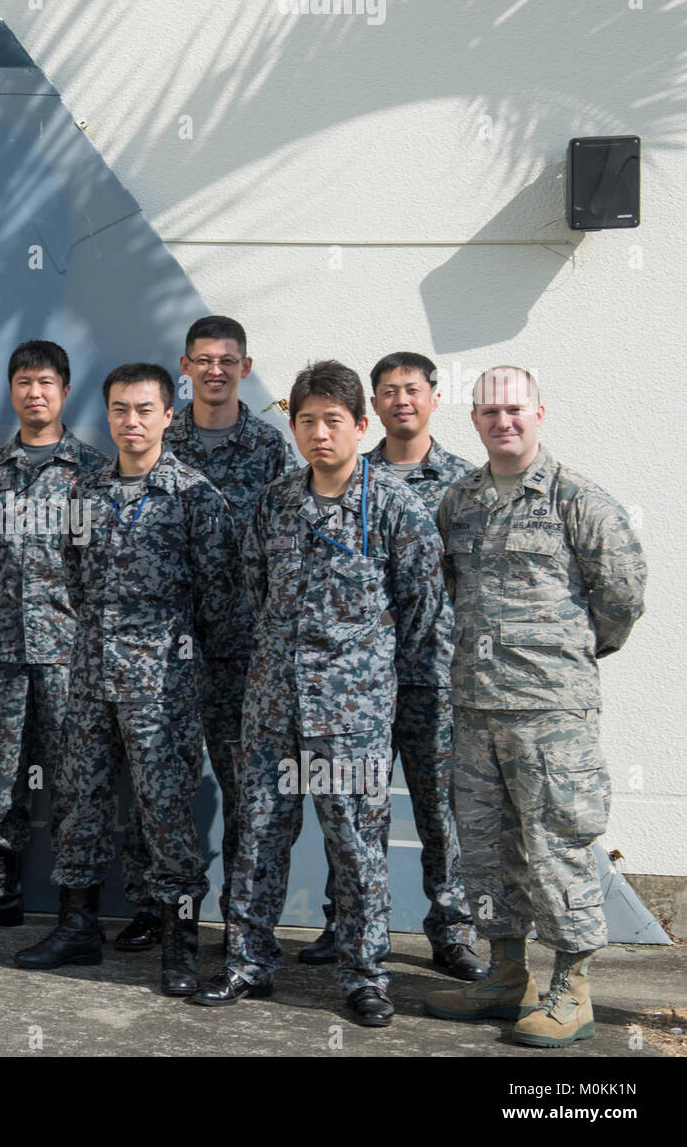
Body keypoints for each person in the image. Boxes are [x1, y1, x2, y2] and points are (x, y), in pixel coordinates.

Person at [190, 360, 445, 1027]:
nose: (320, 433)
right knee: (260, 839)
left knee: (356, 848)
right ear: (295, 428)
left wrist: (364, 670)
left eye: (334, 420)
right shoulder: (274, 504)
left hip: (350, 719)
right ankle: (247, 962)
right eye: (307, 421)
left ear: (361, 426)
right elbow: (254, 592)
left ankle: (364, 975)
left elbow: (420, 610)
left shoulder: (394, 507)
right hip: (274, 710)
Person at [425, 366, 645, 1047]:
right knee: (487, 853)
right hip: (476, 712)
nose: (503, 421)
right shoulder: (458, 502)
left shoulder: (582, 502)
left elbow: (621, 602)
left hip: (552, 717)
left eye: (515, 409)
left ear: (539, 413)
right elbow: (449, 586)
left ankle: (572, 988)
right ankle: (505, 972)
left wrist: (558, 662)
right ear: (476, 421)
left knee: (558, 849)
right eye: (490, 411)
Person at [14, 363, 239, 997]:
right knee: (80, 804)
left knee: (165, 814)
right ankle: (78, 928)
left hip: (162, 690)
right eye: (119, 409)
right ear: (107, 415)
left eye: (144, 409)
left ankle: (179, 944)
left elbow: (221, 605)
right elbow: (75, 578)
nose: (130, 421)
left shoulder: (196, 498)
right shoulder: (83, 493)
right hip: (88, 678)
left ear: (170, 415)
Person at [297, 352, 486, 982]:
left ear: (434, 397)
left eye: (412, 390)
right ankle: (345, 922)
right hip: (354, 689)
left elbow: (455, 584)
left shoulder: (464, 483)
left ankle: (452, 928)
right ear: (370, 408)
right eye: (387, 392)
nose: (401, 400)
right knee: (353, 807)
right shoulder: (350, 475)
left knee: (439, 809)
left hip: (432, 675)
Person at [117, 315, 293, 950]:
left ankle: (243, 918)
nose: (214, 370)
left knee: (248, 786)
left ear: (245, 367)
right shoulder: (163, 437)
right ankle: (154, 907)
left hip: (242, 652)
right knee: (156, 780)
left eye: (227, 360)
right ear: (184, 367)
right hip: (163, 654)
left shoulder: (271, 448)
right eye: (202, 359)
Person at [0, 340, 107, 931]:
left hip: (70, 654)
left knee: (74, 776)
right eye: (23, 382)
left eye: (46, 382)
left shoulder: (92, 470)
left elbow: (102, 565)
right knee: (0, 774)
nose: (34, 392)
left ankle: (77, 909)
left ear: (65, 392)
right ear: (11, 390)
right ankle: (0, 892)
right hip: (3, 651)